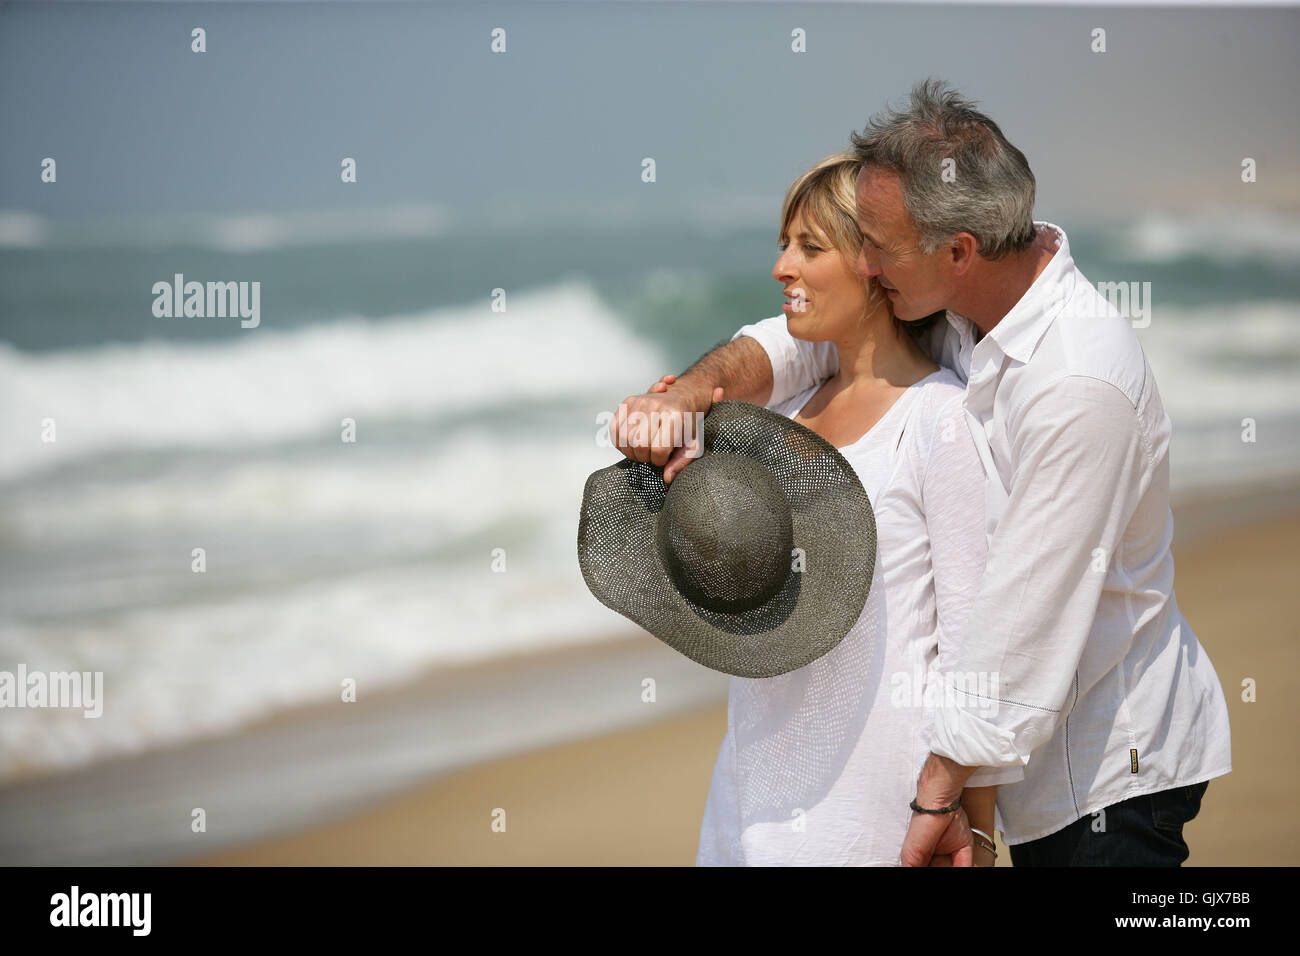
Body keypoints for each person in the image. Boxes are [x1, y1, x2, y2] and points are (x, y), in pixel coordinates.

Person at [619, 79, 1231, 866]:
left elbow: (1018, 619)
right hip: (1002, 752)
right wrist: (695, 391)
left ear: (958, 250)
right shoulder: (961, 307)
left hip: (1108, 767)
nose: (867, 266)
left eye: (875, 245)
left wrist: (943, 796)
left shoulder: (1078, 382)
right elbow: (801, 342)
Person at [658, 151, 1023, 866]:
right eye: (782, 246)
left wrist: (974, 830)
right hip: (748, 792)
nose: (782, 269)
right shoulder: (776, 419)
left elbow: (972, 637)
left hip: (878, 809)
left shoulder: (939, 419)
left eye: (809, 247)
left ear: (875, 263)